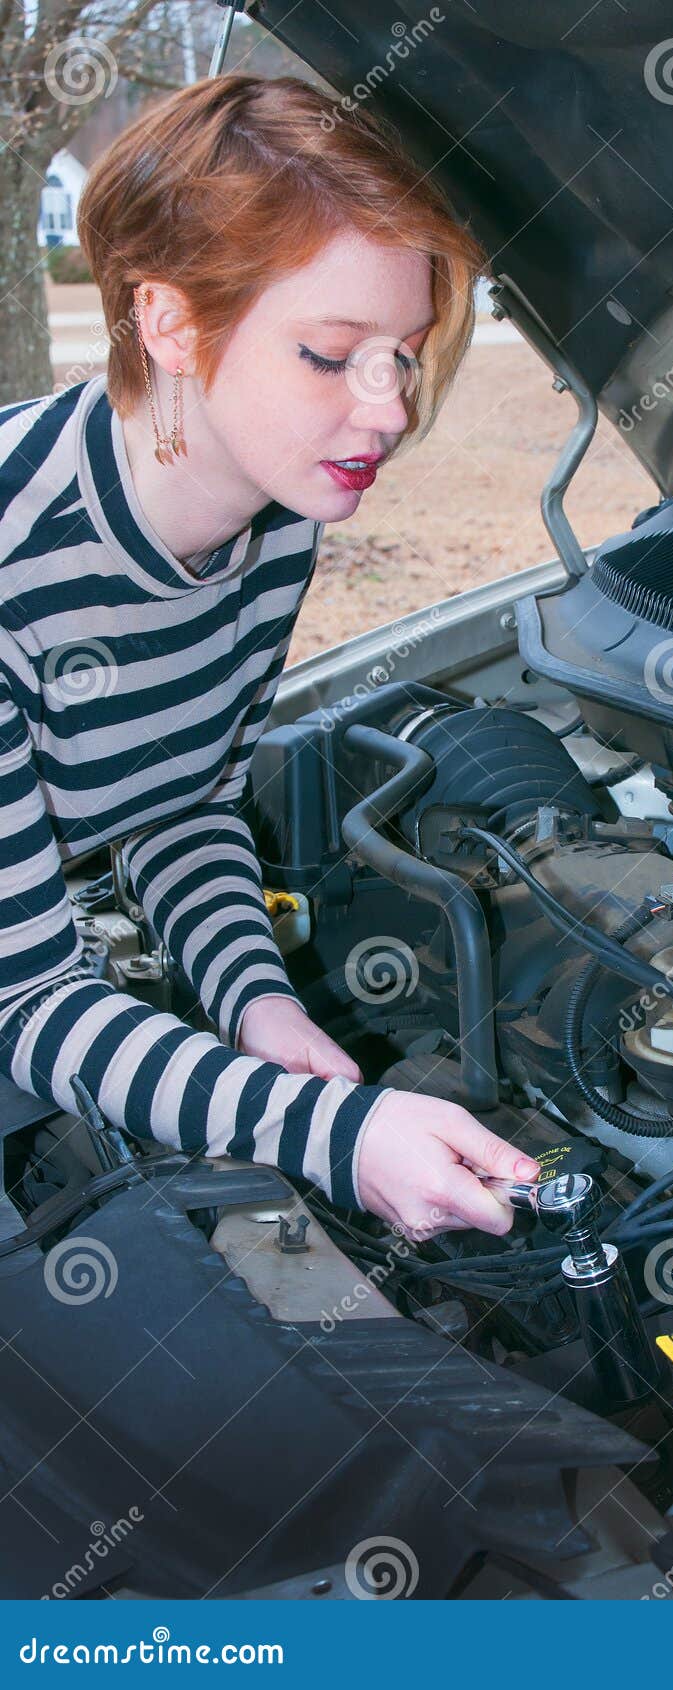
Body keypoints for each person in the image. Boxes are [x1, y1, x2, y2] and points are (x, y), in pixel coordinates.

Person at [0, 74, 538, 1240]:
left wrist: (253, 1002)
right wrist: (332, 1138)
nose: (388, 409)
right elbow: (23, 1004)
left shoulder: (276, 515)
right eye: (330, 352)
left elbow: (179, 806)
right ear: (168, 322)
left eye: (403, 350)